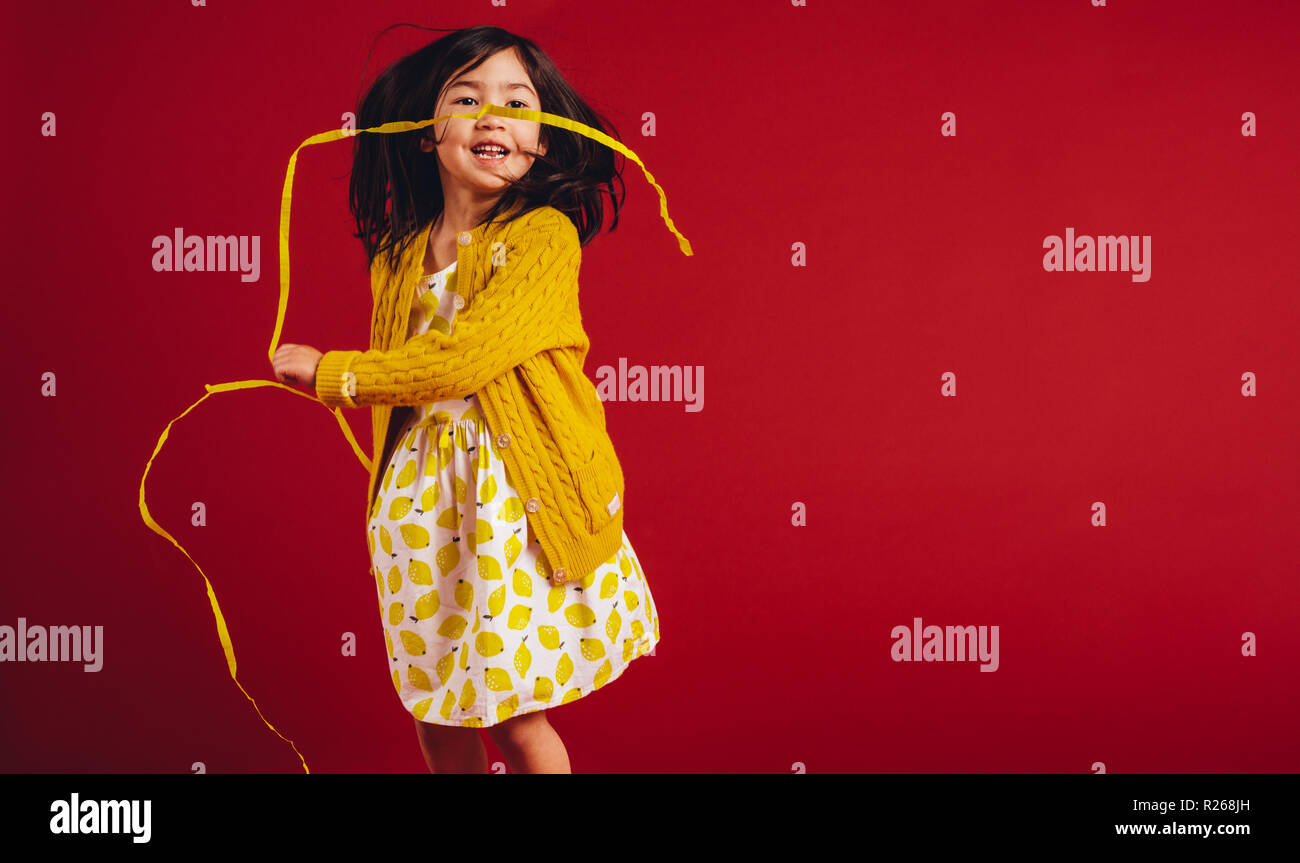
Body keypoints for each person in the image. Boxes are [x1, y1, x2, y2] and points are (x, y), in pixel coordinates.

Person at [270, 25, 660, 774]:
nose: (494, 115)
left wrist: (334, 375)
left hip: (512, 505)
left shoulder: (543, 239)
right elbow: (405, 371)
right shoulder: (399, 252)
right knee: (435, 706)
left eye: (518, 101)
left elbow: (461, 360)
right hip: (422, 505)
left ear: (543, 138)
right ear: (426, 131)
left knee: (512, 713)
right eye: (467, 97)